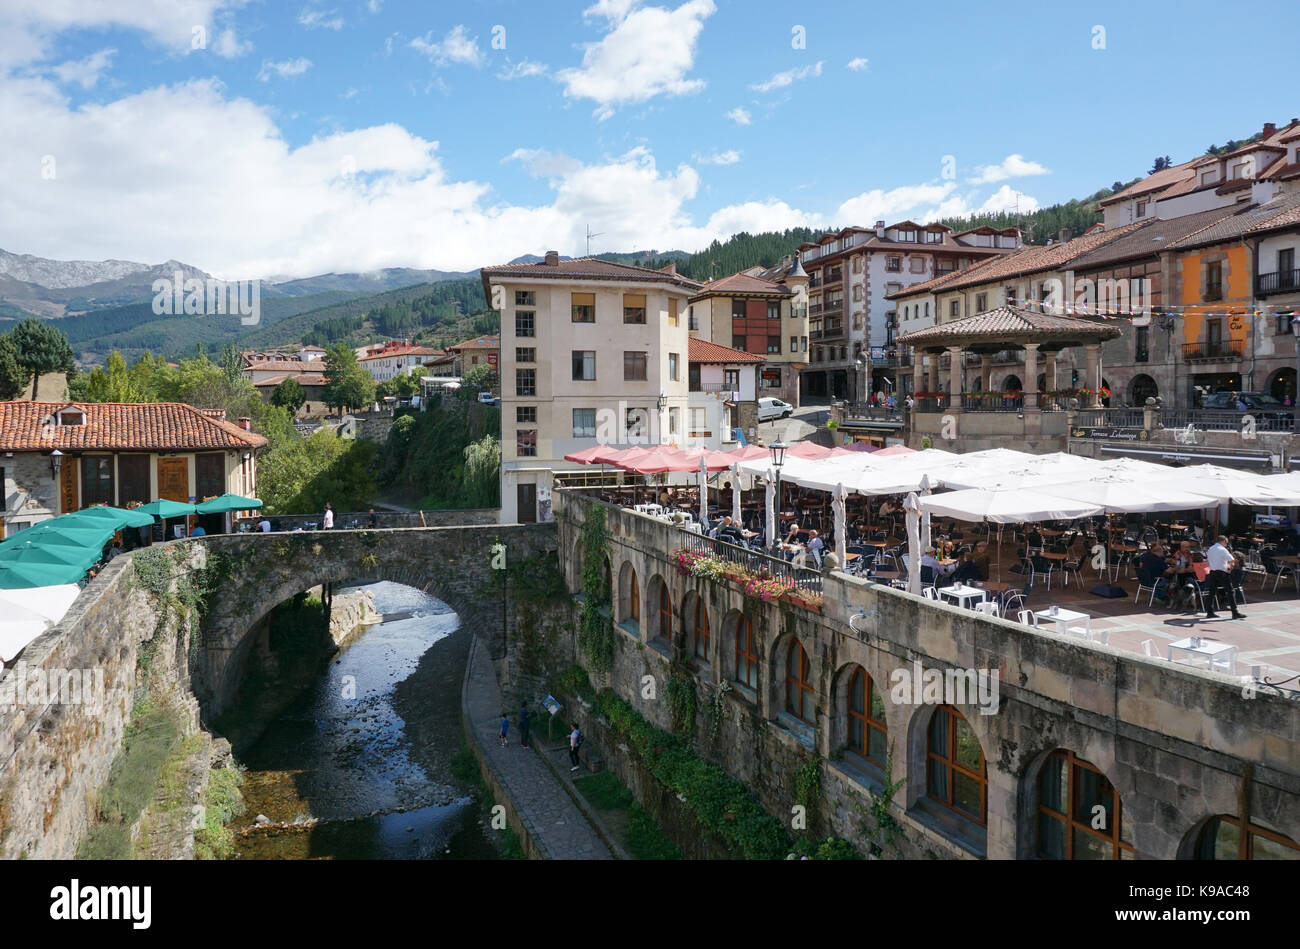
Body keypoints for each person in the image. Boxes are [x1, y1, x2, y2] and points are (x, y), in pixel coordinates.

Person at [1205, 536, 1244, 620]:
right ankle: (1235, 612)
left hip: (1212, 572)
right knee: (1230, 592)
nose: (1226, 545)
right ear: (1223, 541)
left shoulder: (1210, 549)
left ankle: (1210, 612)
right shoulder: (1222, 549)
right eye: (1226, 543)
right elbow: (1232, 559)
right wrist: (1230, 566)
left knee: (1211, 593)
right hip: (1222, 572)